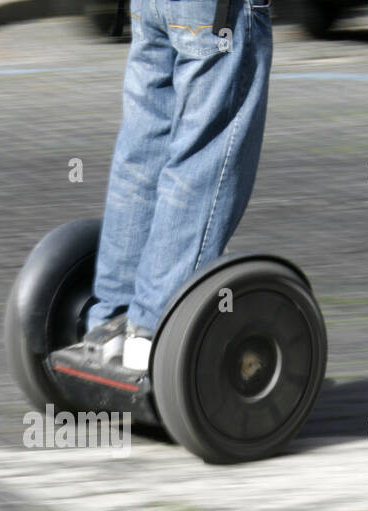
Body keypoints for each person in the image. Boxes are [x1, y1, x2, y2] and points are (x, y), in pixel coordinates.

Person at [83, 0, 274, 372]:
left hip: (151, 7)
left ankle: (111, 322)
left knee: (141, 154)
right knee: (203, 157)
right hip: (217, 12)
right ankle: (154, 329)